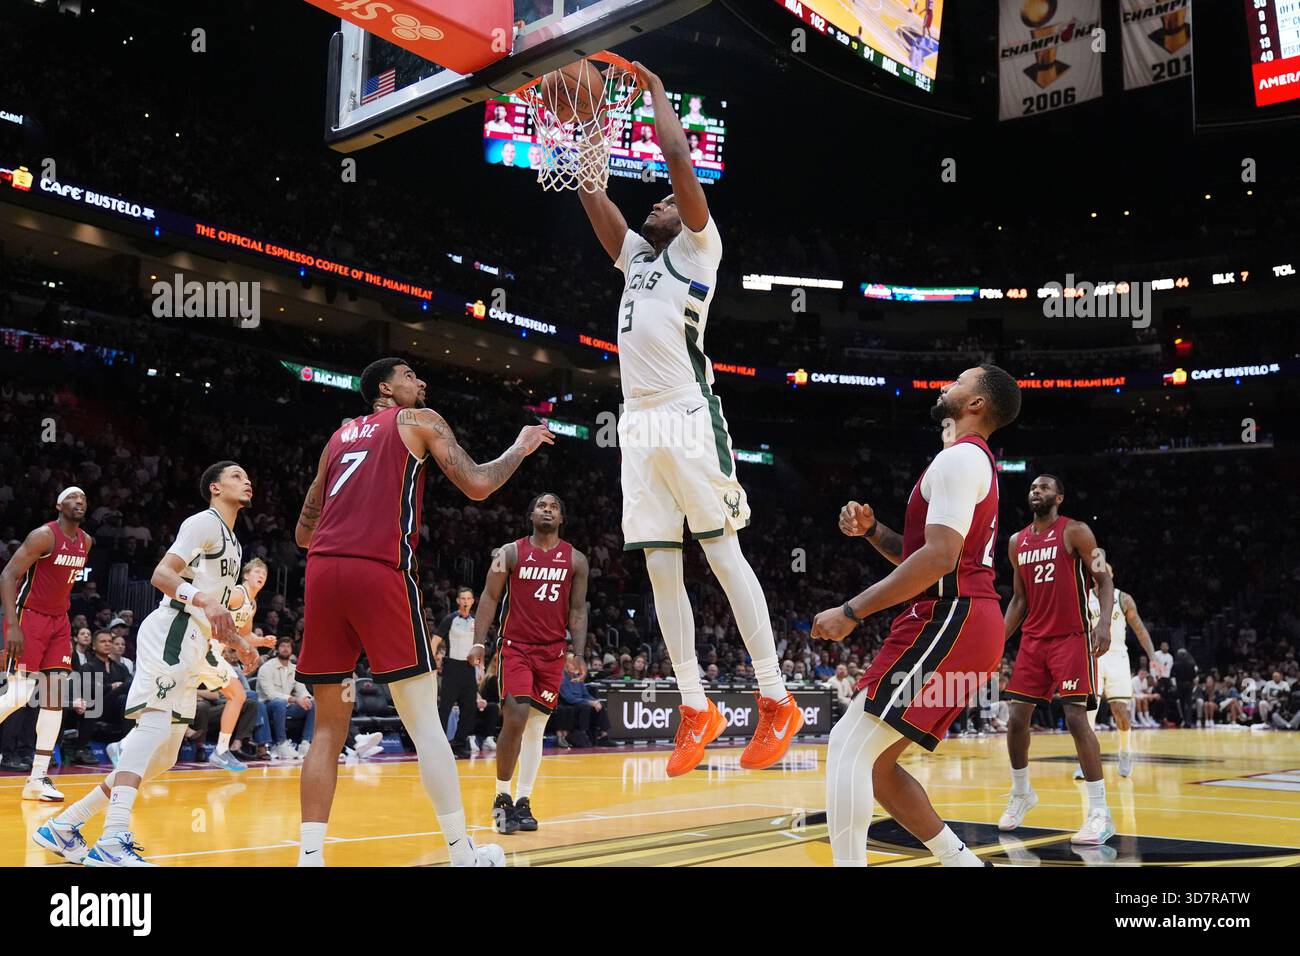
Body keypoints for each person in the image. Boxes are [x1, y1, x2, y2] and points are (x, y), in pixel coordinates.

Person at [577, 61, 802, 777]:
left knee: (721, 553)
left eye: (669, 203)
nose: (659, 204)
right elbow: (591, 192)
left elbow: (677, 160)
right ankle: (695, 705)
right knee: (659, 568)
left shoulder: (700, 247)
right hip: (638, 424)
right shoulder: (638, 258)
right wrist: (583, 129)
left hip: (685, 412)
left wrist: (653, 94)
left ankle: (775, 698)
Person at [293, 357, 552, 867]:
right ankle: (462, 854)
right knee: (425, 724)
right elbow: (477, 484)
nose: (422, 382)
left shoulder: (337, 438)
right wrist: (520, 447)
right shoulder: (419, 420)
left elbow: (304, 531)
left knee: (327, 729)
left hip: (322, 574)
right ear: (385, 388)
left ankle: (309, 858)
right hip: (378, 570)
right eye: (411, 375)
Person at [813, 365, 1021, 867]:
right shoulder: (968, 463)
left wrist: (851, 610)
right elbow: (924, 554)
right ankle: (963, 862)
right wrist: (872, 532)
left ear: (976, 404)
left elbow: (939, 559)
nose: (946, 382)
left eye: (961, 380)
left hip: (953, 618)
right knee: (878, 768)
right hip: (968, 623)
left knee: (847, 746)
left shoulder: (960, 460)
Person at [34, 463, 255, 866]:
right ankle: (113, 838)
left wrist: (238, 640)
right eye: (237, 476)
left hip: (194, 638)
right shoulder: (202, 523)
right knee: (153, 727)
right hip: (172, 628)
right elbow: (161, 575)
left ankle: (65, 825)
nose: (247, 481)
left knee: (165, 756)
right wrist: (204, 602)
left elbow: (215, 609)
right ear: (215, 487)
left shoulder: (234, 544)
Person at [1000, 475, 1117, 846]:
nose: (1037, 491)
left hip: (1071, 637)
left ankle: (1100, 811)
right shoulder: (1016, 542)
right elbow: (1019, 600)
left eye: (1045, 488)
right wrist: (995, 642)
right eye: (1033, 487)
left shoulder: (1077, 532)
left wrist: (1102, 623)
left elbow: (1105, 579)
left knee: (1075, 718)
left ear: (1059, 497)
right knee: (1017, 719)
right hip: (1034, 640)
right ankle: (1022, 793)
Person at [474, 493, 590, 834]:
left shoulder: (576, 560)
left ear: (562, 518)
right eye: (542, 505)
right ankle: (501, 797)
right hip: (516, 648)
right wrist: (479, 641)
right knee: (517, 716)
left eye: (554, 507)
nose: (548, 510)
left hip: (553, 652)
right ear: (531, 515)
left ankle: (524, 801)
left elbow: (578, 609)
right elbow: (489, 597)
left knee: (537, 727)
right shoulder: (508, 553)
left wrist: (578, 652)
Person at [0, 486, 92, 802]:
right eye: (72, 497)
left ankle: (37, 779)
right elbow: (8, 575)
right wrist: (12, 624)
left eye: (83, 499)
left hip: (59, 622)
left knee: (55, 698)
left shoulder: (86, 542)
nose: (79, 502)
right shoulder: (43, 535)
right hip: (30, 619)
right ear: (58, 504)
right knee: (19, 694)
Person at [1073, 566, 1157, 778]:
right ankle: (1085, 763)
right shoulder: (1083, 598)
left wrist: (1153, 656)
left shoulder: (1124, 598)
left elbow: (1140, 629)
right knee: (1088, 714)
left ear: (1111, 576)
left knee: (1121, 711)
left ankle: (1125, 752)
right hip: (1092, 658)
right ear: (1092, 578)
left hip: (1118, 658)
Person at [191, 557, 274, 770]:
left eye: (264, 573)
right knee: (238, 695)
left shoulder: (252, 604)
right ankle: (220, 751)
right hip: (205, 647)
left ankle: (125, 746)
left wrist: (262, 641)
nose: (261, 576)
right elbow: (211, 611)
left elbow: (244, 635)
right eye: (256, 571)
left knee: (177, 698)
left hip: (210, 651)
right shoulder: (237, 594)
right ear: (246, 575)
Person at [435, 586, 480, 759]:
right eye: (463, 599)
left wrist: (480, 666)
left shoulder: (477, 621)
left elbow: (479, 646)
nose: (466, 602)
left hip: (469, 668)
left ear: (472, 601)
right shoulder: (450, 619)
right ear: (458, 601)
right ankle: (439, 745)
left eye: (469, 599)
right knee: (445, 708)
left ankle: (459, 743)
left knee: (469, 708)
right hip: (452, 667)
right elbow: (436, 640)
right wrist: (432, 662)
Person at [257, 639, 315, 758]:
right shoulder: (266, 668)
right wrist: (294, 700)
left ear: (292, 651)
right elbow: (270, 694)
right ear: (277, 649)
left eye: (288, 646)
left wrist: (306, 698)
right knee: (279, 703)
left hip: (286, 706)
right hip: (267, 706)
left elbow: (301, 689)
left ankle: (305, 744)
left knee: (313, 703)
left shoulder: (294, 668)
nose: (285, 648)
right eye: (282, 646)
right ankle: (281, 744)